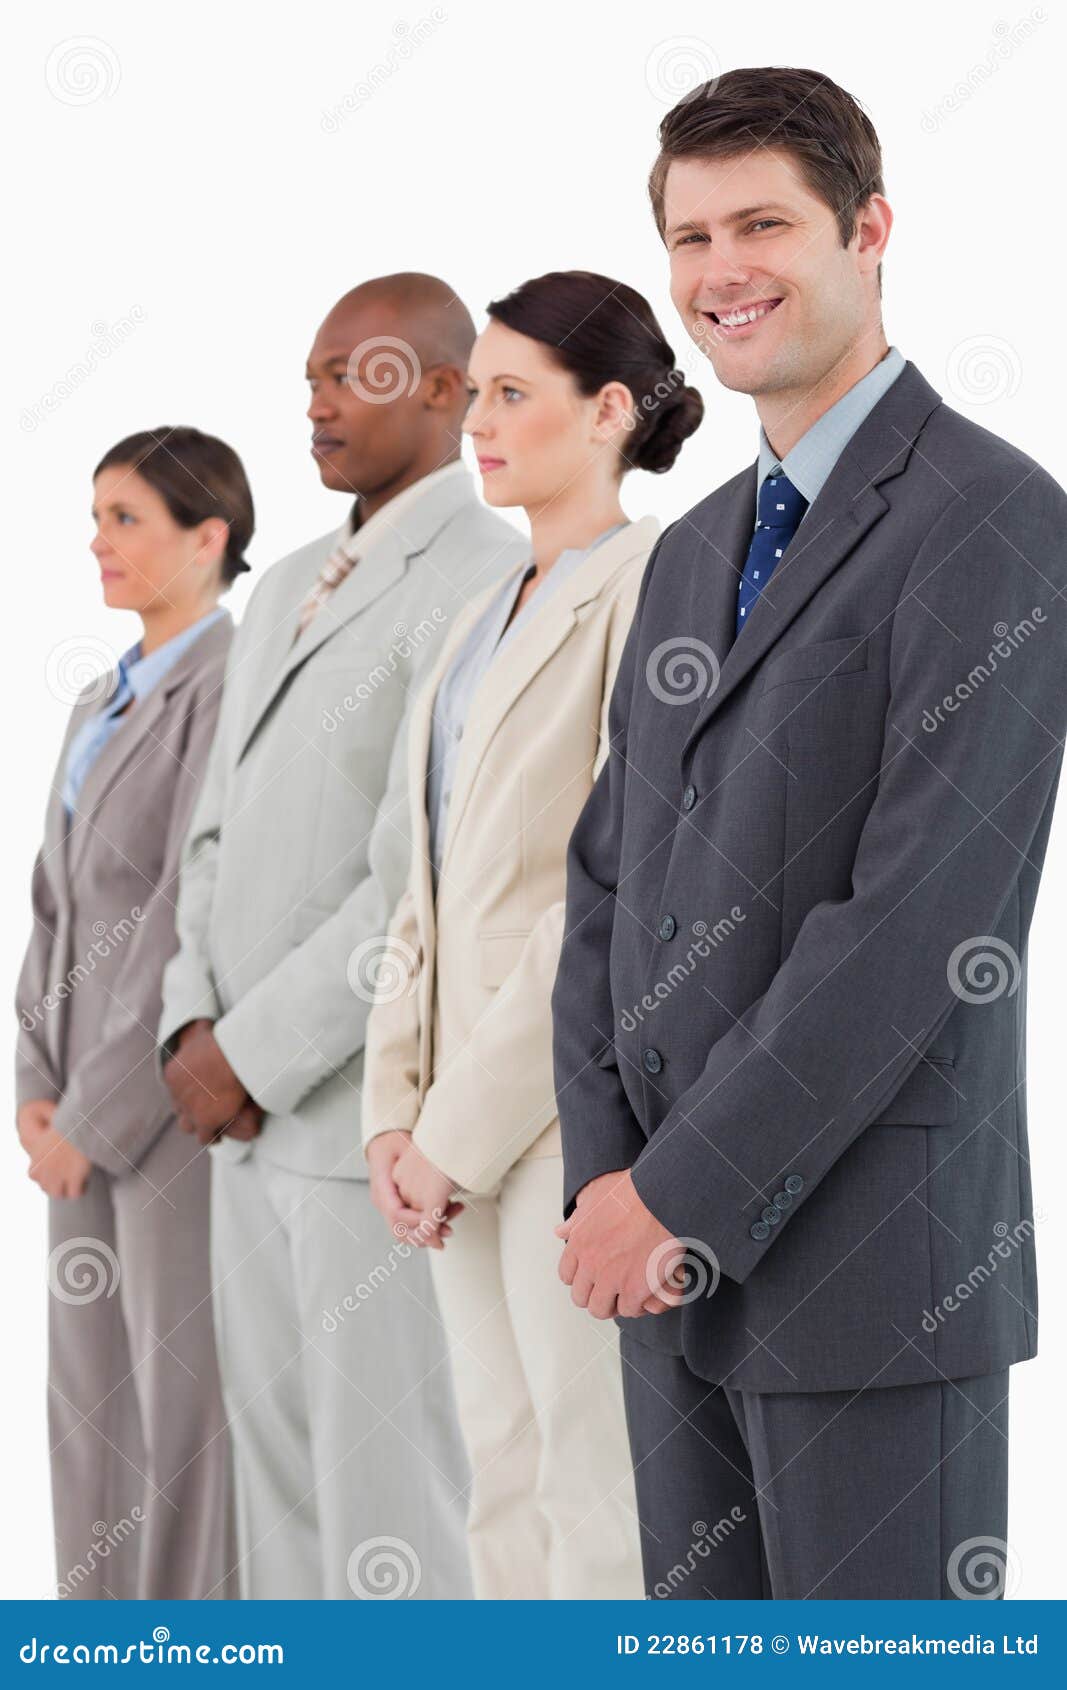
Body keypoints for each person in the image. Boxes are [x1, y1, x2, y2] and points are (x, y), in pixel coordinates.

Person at [551, 66, 1067, 1601]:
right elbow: (604, 889)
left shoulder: (988, 516)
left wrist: (677, 1193)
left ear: (870, 230)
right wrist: (607, 1189)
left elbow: (919, 923)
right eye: (690, 235)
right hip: (659, 1279)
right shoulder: (697, 544)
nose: (723, 271)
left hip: (861, 1277)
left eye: (762, 222)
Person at [158, 274, 527, 1600]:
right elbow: (212, 830)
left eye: (351, 375)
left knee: (392, 1513)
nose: (314, 402)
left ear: (444, 389)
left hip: (357, 1130)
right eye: (309, 375)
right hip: (239, 1134)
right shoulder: (285, 587)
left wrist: (251, 1050)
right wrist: (187, 1028)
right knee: (278, 1509)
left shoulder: (489, 576)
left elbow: (423, 873)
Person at [362, 271, 702, 1598]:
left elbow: (600, 896)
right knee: (496, 1482)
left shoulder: (651, 587)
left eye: (512, 394)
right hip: (446, 1123)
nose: (476, 422)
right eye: (477, 392)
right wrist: (391, 1112)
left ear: (609, 408)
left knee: (588, 1492)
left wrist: (448, 1129)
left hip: (563, 1115)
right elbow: (421, 882)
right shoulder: (469, 620)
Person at [15, 425, 252, 1598]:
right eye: (96, 514)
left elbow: (178, 918)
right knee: (88, 1398)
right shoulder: (102, 696)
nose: (97, 541)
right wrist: (31, 1089)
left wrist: (91, 1117)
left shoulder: (233, 683)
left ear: (207, 537)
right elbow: (51, 903)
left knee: (180, 1400)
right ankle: (94, 1643)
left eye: (126, 519)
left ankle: (188, 1653)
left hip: (164, 1103)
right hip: (72, 1106)